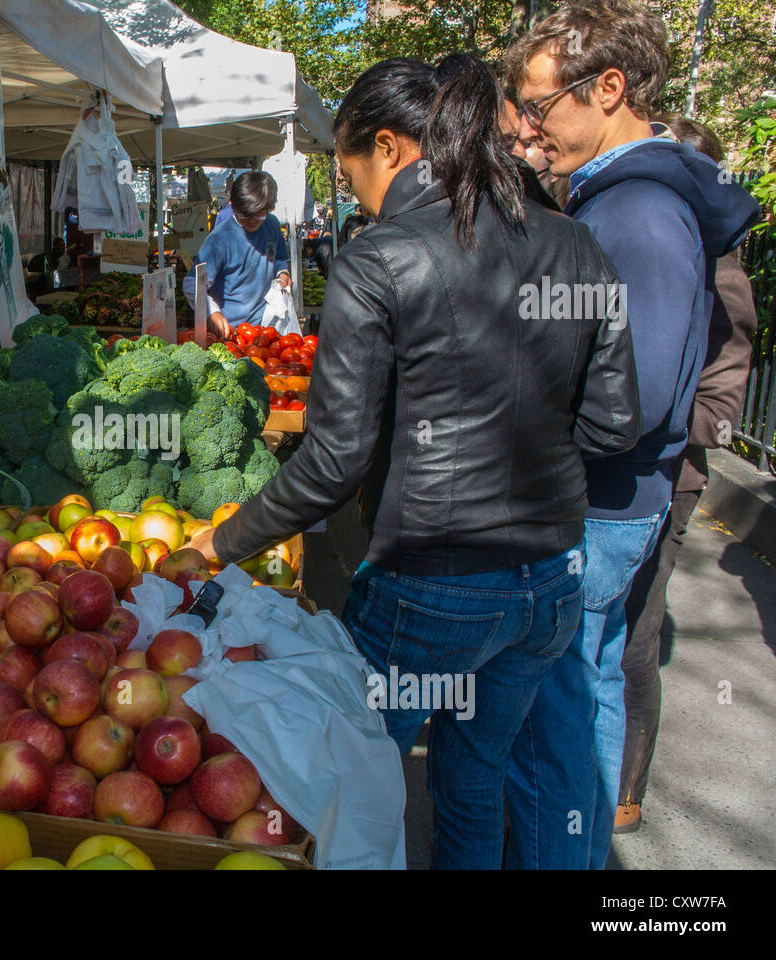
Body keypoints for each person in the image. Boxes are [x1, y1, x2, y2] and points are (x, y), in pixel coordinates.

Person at [190, 53, 640, 869]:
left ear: (391, 148)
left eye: (348, 164)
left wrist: (216, 545)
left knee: (340, 784)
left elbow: (333, 461)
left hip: (430, 586)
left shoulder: (379, 258)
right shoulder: (575, 245)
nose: (350, 185)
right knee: (474, 778)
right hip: (548, 581)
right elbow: (614, 425)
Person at [503, 0, 759, 869]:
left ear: (608, 88)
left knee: (550, 723)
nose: (533, 131)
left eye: (540, 107)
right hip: (615, 501)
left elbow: (636, 399)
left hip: (594, 506)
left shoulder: (640, 211)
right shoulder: (631, 200)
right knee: (591, 692)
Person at [616, 114, 759, 835]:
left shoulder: (725, 284)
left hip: (669, 487)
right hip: (616, 485)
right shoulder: (656, 259)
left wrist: (645, 414)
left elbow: (718, 415)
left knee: (637, 640)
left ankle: (624, 789)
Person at [183, 171, 290, 340]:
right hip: (228, 332)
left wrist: (282, 272)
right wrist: (212, 313)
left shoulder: (272, 224)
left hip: (263, 328)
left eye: (260, 214)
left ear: (269, 208)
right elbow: (191, 283)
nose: (253, 220)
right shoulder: (219, 239)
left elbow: (279, 258)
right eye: (245, 215)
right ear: (233, 206)